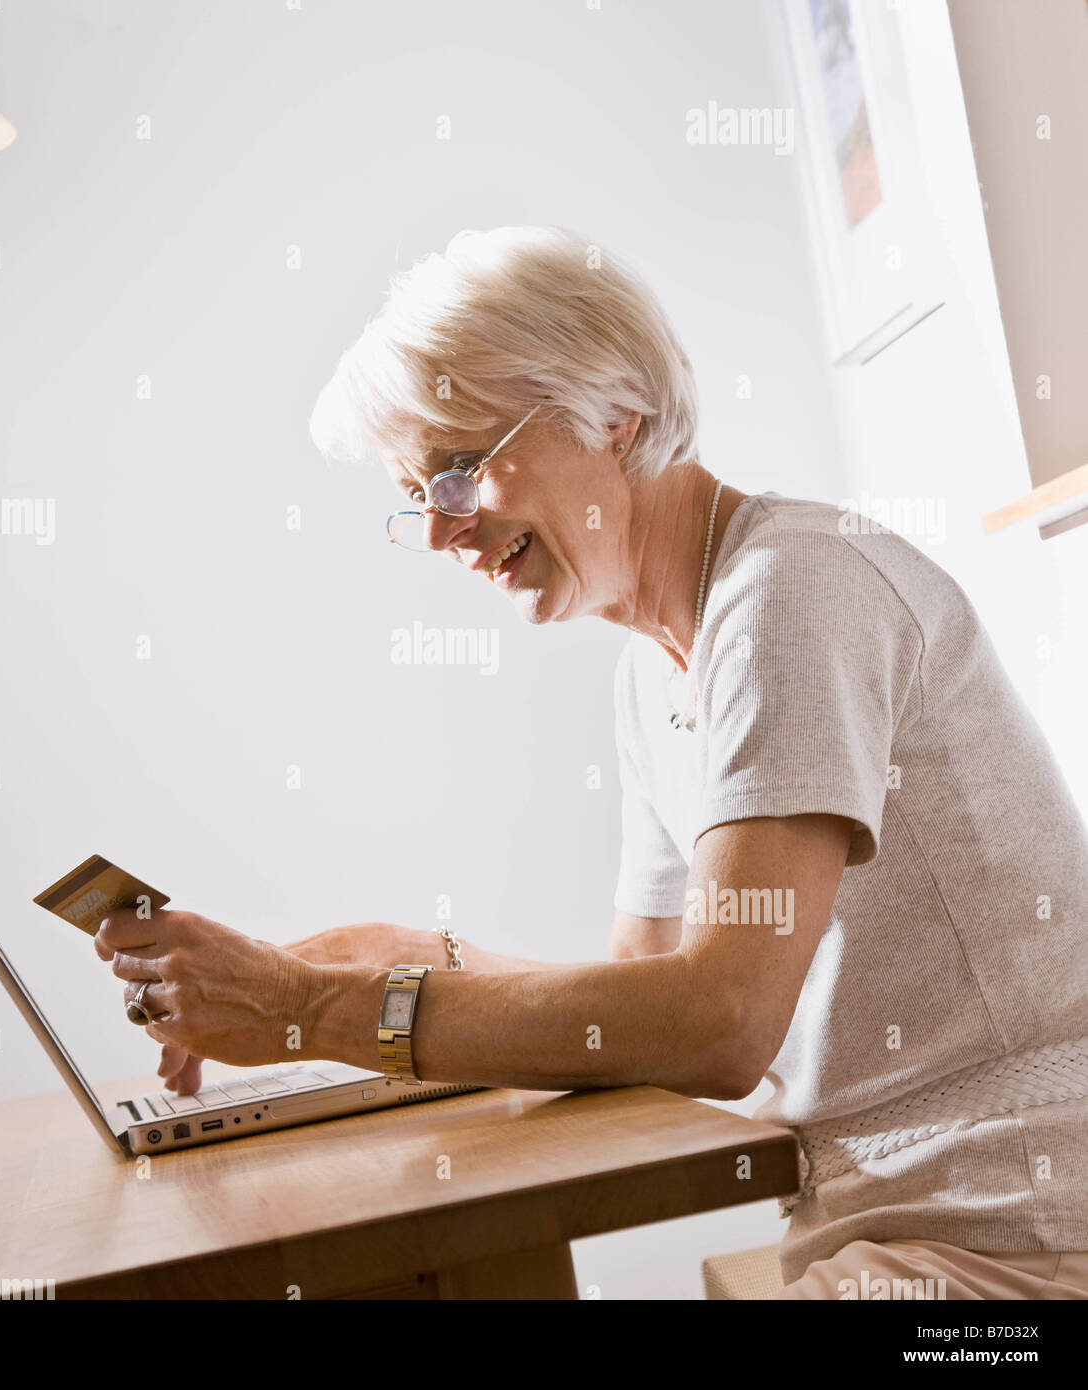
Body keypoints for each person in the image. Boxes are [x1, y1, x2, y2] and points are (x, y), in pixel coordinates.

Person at [95, 226, 1088, 1299]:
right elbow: (643, 1003)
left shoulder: (791, 597)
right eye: (416, 495)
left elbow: (716, 1027)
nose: (440, 532)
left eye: (460, 472)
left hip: (1025, 1242)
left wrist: (321, 1009)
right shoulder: (657, 671)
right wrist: (392, 957)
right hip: (888, 1239)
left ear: (616, 414)